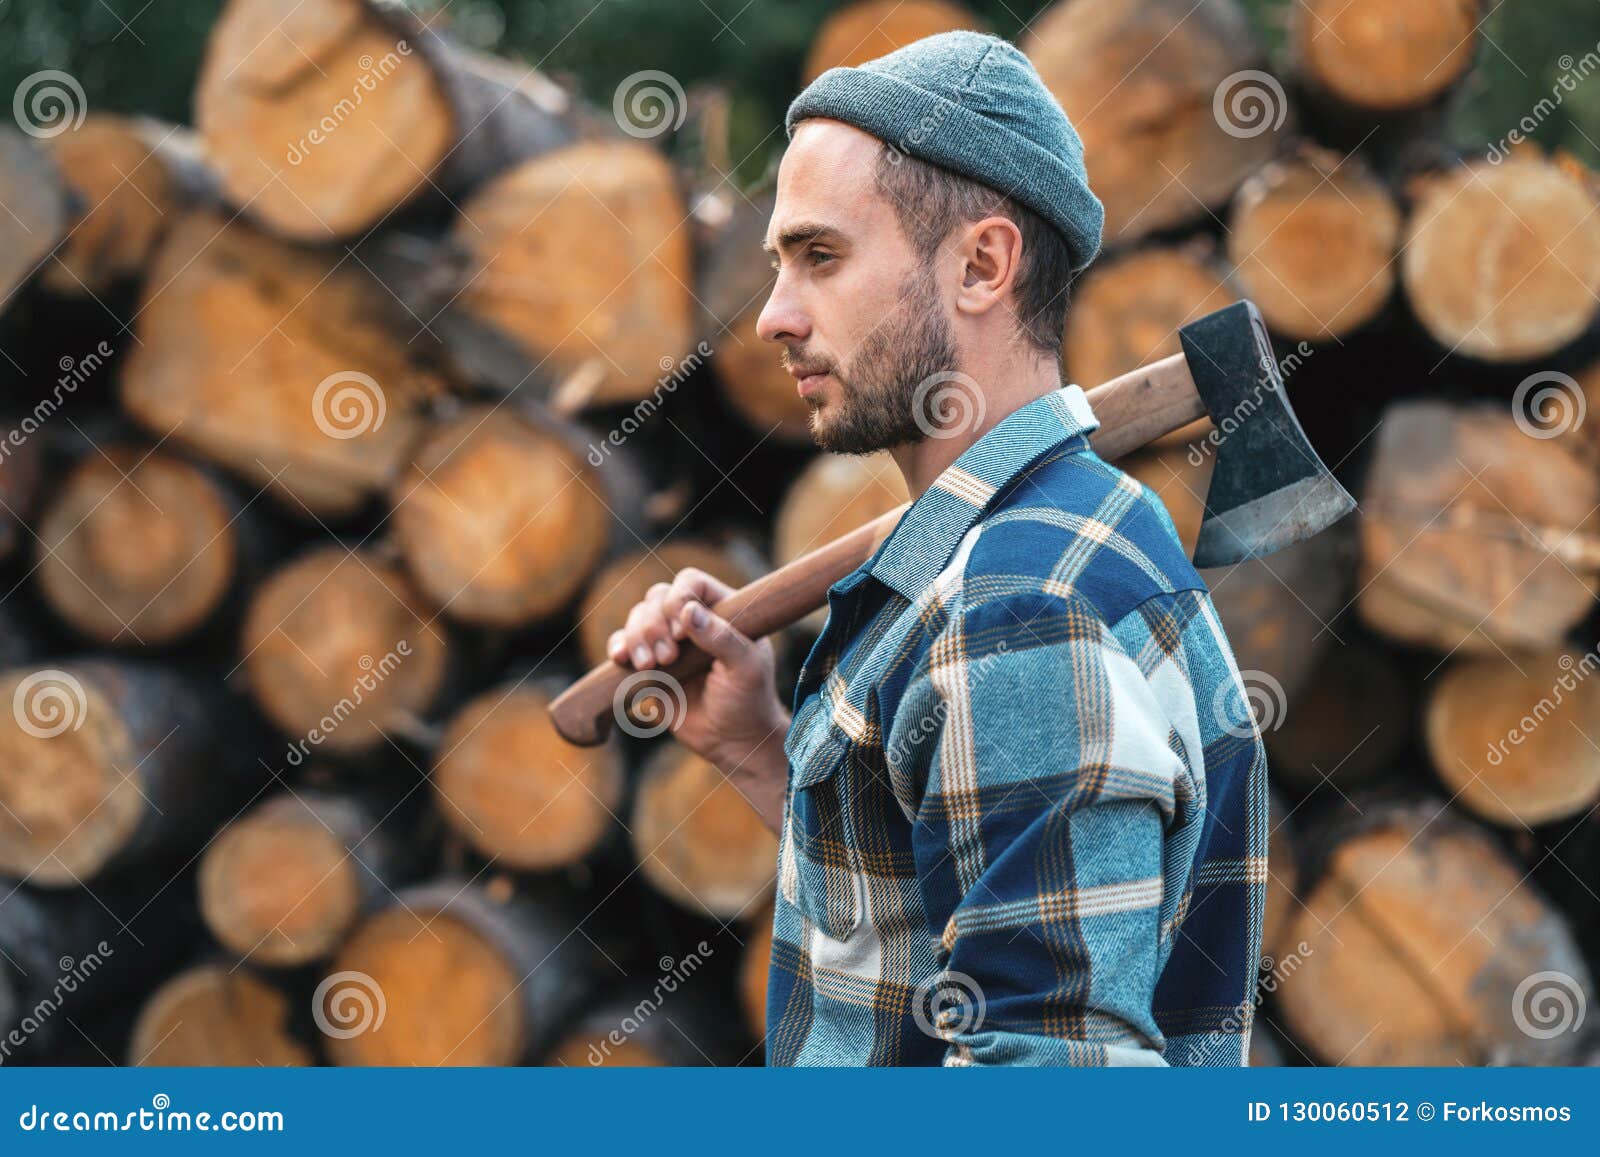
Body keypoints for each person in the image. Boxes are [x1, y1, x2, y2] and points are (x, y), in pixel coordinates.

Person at [608, 31, 1267, 1066]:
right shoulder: (1071, 535)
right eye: (780, 263)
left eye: (819, 256)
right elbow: (935, 944)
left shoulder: (1020, 608)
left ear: (981, 265)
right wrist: (753, 742)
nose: (774, 315)